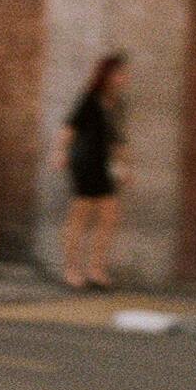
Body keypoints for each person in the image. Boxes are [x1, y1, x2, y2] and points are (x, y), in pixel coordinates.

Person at [57, 52, 127, 289]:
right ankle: (71, 271)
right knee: (79, 217)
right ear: (107, 75)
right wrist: (60, 152)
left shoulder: (117, 103)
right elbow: (69, 127)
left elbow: (117, 139)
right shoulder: (90, 97)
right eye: (119, 73)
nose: (124, 77)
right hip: (85, 162)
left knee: (109, 217)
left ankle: (96, 270)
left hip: (104, 165)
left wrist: (124, 166)